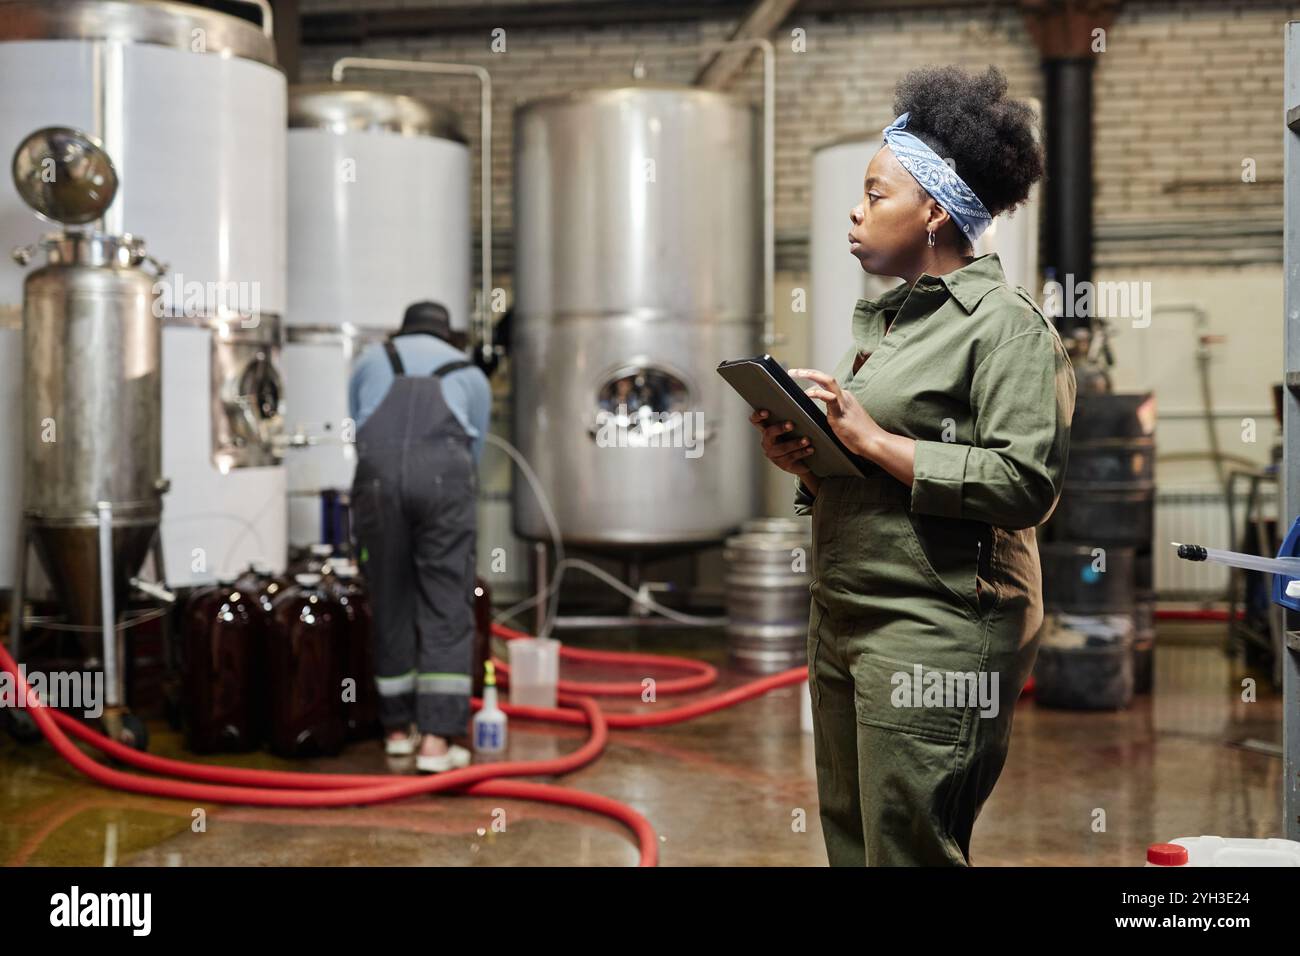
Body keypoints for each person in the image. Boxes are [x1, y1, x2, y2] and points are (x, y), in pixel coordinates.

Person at [751, 65, 1076, 864]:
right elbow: (873, 471)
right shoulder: (888, 325)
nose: (855, 213)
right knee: (854, 841)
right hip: (846, 613)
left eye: (875, 194)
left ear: (933, 211)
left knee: (907, 851)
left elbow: (1025, 484)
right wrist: (806, 458)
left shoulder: (1007, 330)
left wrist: (870, 440)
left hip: (934, 626)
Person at [348, 301, 492, 773]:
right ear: (447, 335)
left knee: (390, 596)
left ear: (400, 330)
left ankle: (395, 730)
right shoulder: (469, 373)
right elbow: (476, 451)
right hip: (443, 484)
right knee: (446, 601)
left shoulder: (370, 360)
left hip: (377, 482)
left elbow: (359, 428)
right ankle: (435, 740)